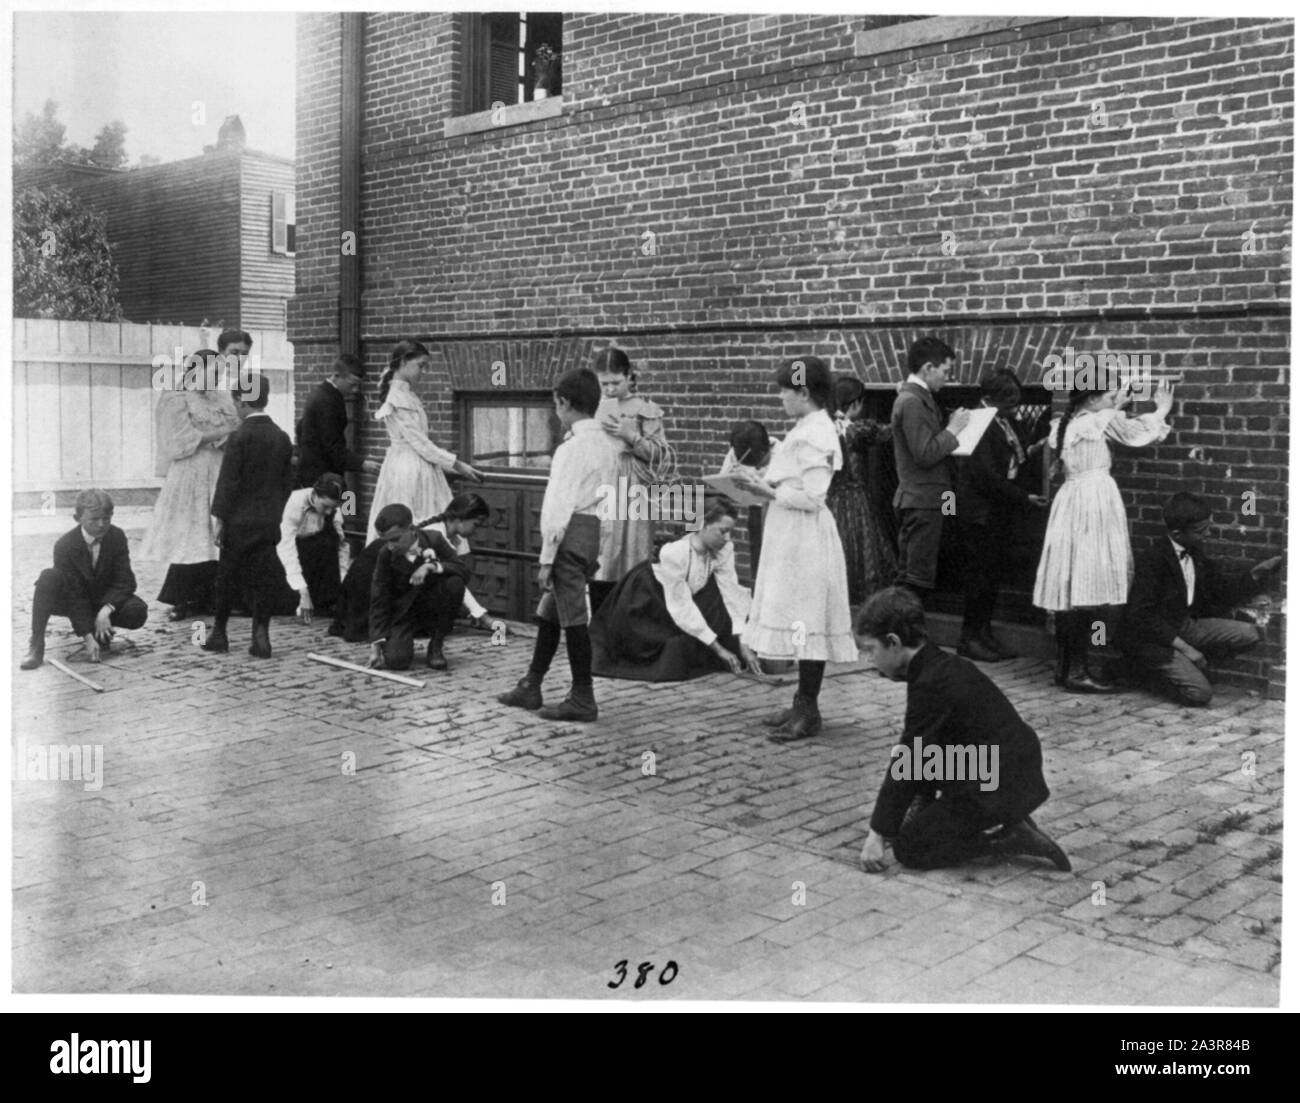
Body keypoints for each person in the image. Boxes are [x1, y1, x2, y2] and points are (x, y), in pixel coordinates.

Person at [856, 587, 1071, 874]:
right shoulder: (937, 664)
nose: (869, 660)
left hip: (1001, 781)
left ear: (893, 642)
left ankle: (1006, 838)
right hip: (1005, 766)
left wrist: (878, 834)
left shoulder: (931, 683)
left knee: (910, 848)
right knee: (922, 748)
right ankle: (962, 815)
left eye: (870, 650)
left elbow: (910, 757)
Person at [727, 356, 859, 742]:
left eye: (785, 390)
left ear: (803, 392)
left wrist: (766, 490)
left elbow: (814, 498)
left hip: (806, 538)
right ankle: (801, 701)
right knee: (795, 616)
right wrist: (756, 481)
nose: (781, 397)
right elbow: (790, 481)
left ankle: (808, 709)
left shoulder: (819, 433)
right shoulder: (805, 427)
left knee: (807, 618)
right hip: (789, 535)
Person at [1033, 374, 1174, 692]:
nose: (1115, 401)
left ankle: (1068, 668)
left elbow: (1101, 426)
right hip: (1093, 503)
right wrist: (1162, 409)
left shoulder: (1067, 424)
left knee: (1073, 586)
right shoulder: (1100, 419)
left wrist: (1114, 405)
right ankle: (1076, 672)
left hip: (1072, 501)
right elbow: (1137, 435)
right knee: (1087, 583)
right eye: (1109, 396)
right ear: (1092, 399)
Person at [497, 367, 623, 721]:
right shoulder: (609, 447)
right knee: (551, 610)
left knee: (574, 617)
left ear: (565, 403)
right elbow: (611, 502)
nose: (557, 411)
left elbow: (557, 508)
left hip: (569, 534)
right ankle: (531, 684)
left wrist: (547, 558)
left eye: (556, 405)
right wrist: (600, 545)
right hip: (592, 532)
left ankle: (583, 696)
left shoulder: (570, 449)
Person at [1120, 492, 1282, 707]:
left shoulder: (1194, 552)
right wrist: (1186, 649)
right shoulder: (1153, 559)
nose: (1207, 534)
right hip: (1154, 639)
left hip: (1184, 625)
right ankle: (1139, 674)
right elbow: (1141, 617)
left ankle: (1187, 666)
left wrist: (1256, 574)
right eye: (1200, 531)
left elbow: (1221, 591)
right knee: (1199, 694)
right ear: (1177, 533)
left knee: (1248, 634)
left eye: (1208, 527)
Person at [591, 500, 760, 682]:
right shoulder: (676, 553)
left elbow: (731, 593)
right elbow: (681, 606)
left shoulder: (724, 550)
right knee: (674, 653)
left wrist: (743, 643)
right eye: (723, 531)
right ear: (703, 524)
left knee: (717, 608)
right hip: (646, 604)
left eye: (730, 532)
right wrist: (719, 649)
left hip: (677, 604)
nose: (727, 538)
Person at [140, 348, 242, 620]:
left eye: (221, 374)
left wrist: (226, 436)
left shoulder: (221, 398)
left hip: (218, 467)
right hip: (190, 471)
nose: (218, 378)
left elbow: (235, 426)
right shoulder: (177, 398)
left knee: (214, 530)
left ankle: (212, 596)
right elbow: (178, 441)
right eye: (214, 372)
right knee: (190, 531)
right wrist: (222, 432)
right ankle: (182, 598)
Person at [953, 370, 1048, 661]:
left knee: (992, 576)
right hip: (980, 513)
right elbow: (985, 475)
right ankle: (969, 638)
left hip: (997, 510)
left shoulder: (1002, 419)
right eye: (1010, 404)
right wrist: (1023, 497)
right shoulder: (977, 421)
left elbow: (1011, 457)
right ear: (991, 399)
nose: (1015, 410)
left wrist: (1032, 450)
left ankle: (984, 633)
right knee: (979, 577)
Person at [203, 374, 294, 658]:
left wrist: (220, 519)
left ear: (242, 401)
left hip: (238, 523)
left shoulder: (239, 437)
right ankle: (261, 636)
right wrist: (275, 513)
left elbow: (228, 482)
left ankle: (219, 634)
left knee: (226, 578)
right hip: (268, 522)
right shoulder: (282, 437)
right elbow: (287, 483)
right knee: (263, 579)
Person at [366, 339, 483, 544]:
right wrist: (458, 465)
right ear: (403, 362)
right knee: (412, 520)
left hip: (419, 465)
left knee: (428, 521)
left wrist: (451, 465)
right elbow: (421, 443)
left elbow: (422, 444)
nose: (424, 371)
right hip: (407, 471)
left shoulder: (407, 395)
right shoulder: (397, 398)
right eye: (421, 366)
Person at [20, 489, 149, 670]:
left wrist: (106, 611)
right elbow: (74, 594)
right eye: (94, 519)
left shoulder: (116, 536)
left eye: (106, 518)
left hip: (102, 597)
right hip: (72, 600)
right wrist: (87, 636)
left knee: (137, 611)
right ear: (78, 518)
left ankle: (101, 629)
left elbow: (126, 580)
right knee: (48, 577)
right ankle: (36, 643)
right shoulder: (65, 545)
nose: (101, 524)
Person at [591, 347, 676, 608]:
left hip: (634, 487)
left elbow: (661, 455)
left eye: (615, 382)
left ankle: (630, 617)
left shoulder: (645, 409)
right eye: (604, 383)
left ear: (629, 376)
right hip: (602, 483)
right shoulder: (592, 407)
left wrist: (633, 437)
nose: (609, 389)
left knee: (633, 552)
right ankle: (601, 619)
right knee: (603, 551)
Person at [891, 337, 971, 600]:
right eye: (945, 371)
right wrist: (953, 429)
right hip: (923, 501)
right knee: (916, 578)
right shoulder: (912, 401)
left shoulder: (919, 398)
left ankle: (908, 625)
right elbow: (924, 454)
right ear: (928, 368)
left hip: (936, 498)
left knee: (924, 570)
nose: (947, 378)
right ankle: (906, 626)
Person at [366, 504, 470, 672]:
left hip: (431, 609)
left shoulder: (434, 540)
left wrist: (430, 566)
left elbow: (463, 570)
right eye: (386, 541)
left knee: (454, 584)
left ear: (411, 529)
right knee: (397, 661)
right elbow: (379, 597)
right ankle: (400, 641)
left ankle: (436, 645)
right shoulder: (385, 554)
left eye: (395, 539)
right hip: (403, 614)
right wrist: (375, 648)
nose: (391, 546)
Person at [827, 375, 896, 606]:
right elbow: (891, 431)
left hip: (830, 501)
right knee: (863, 549)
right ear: (856, 403)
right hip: (855, 500)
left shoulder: (825, 428)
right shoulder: (856, 430)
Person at [273, 473, 351, 623]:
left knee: (329, 540)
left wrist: (342, 580)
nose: (328, 512)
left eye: (333, 507)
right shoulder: (295, 502)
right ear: (314, 495)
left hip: (313, 555)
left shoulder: (333, 511)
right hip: (284, 552)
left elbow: (341, 546)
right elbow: (285, 546)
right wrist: (302, 590)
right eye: (325, 506)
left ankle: (323, 600)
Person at [296, 353, 382, 488]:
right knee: (347, 501)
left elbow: (300, 428)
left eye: (358, 385)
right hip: (323, 479)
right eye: (352, 384)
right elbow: (332, 446)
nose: (355, 390)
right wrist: (362, 464)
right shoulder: (328, 401)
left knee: (347, 500)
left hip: (315, 474)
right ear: (336, 375)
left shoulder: (320, 393)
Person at [417, 493, 496, 630]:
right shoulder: (434, 534)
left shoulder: (454, 538)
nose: (476, 531)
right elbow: (452, 578)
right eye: (475, 525)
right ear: (461, 518)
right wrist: (482, 616)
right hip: (412, 599)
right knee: (453, 581)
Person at [716, 420, 772, 578]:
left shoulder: (782, 453)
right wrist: (731, 474)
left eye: (759, 464)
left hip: (778, 512)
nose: (757, 467)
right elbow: (723, 482)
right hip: (756, 512)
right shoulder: (738, 450)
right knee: (758, 560)